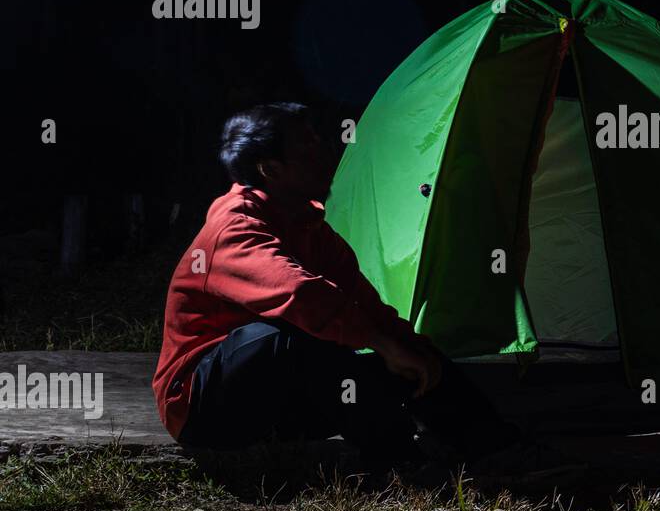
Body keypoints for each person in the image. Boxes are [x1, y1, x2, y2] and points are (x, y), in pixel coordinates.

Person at [151, 102, 579, 486]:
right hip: (203, 409)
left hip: (277, 408)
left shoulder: (310, 228)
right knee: (294, 337)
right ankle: (399, 465)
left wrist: (406, 349)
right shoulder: (235, 227)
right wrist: (380, 343)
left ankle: (495, 447)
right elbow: (299, 295)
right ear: (270, 169)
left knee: (398, 348)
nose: (325, 157)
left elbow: (367, 308)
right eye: (307, 149)